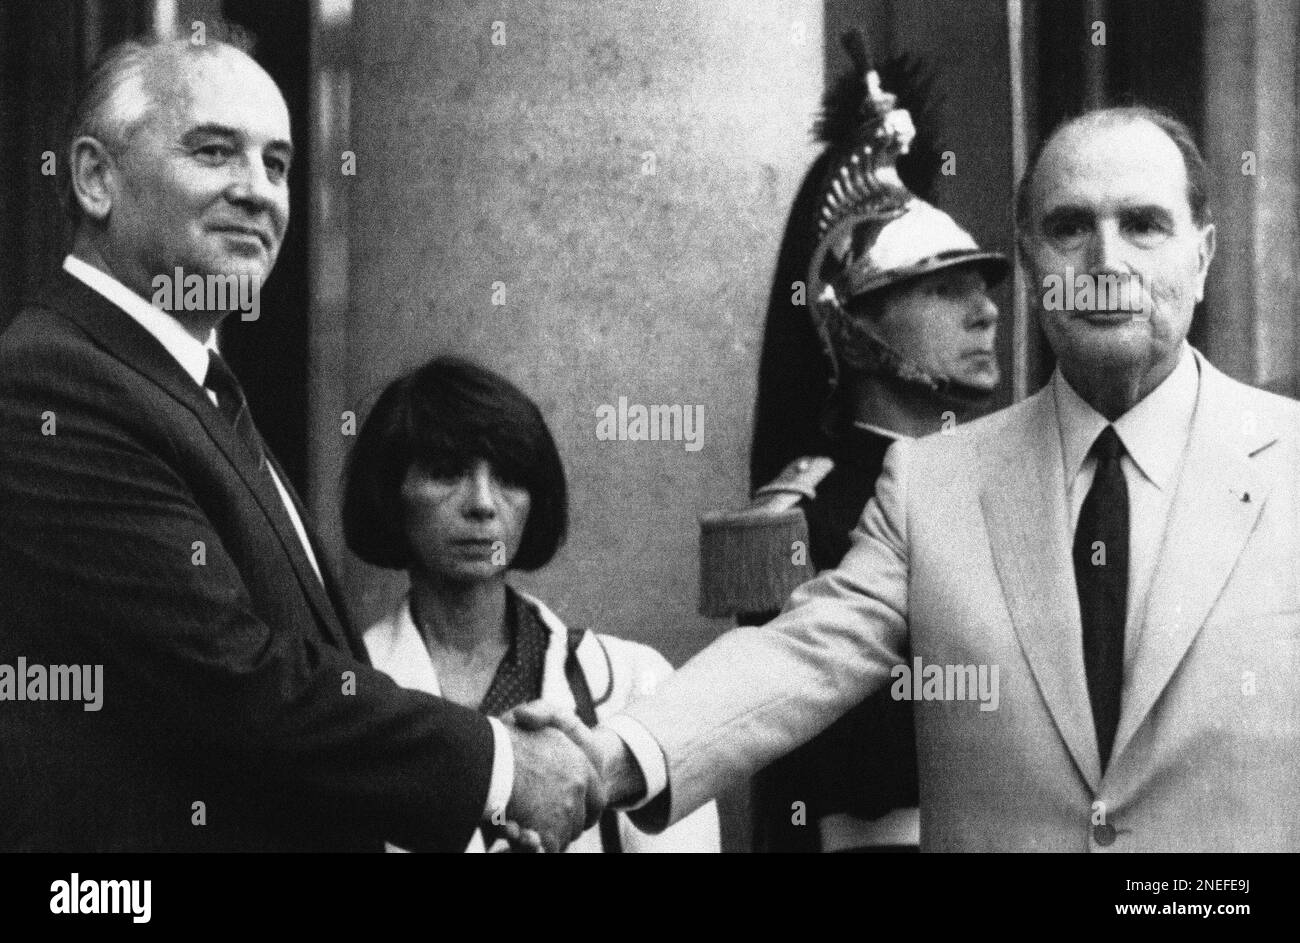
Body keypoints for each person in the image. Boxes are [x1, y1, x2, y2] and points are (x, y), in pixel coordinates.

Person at [527, 104, 1300, 851]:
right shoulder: (933, 484)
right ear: (1032, 264)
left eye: (1143, 224)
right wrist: (611, 756)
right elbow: (797, 654)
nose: (1105, 261)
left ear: (1202, 256)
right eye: (1070, 228)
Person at [0, 31, 597, 852]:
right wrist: (500, 769)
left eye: (278, 165)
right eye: (214, 152)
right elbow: (228, 682)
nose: (259, 193)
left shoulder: (189, 384)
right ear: (97, 178)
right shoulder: (52, 379)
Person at [741, 39, 1007, 853]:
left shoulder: (1017, 479)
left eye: (982, 285)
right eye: (943, 290)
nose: (986, 312)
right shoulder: (798, 516)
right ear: (854, 336)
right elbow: (833, 756)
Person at [343, 356, 719, 852]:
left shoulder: (636, 683)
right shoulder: (346, 695)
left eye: (509, 477)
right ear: (391, 495)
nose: (482, 503)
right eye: (445, 472)